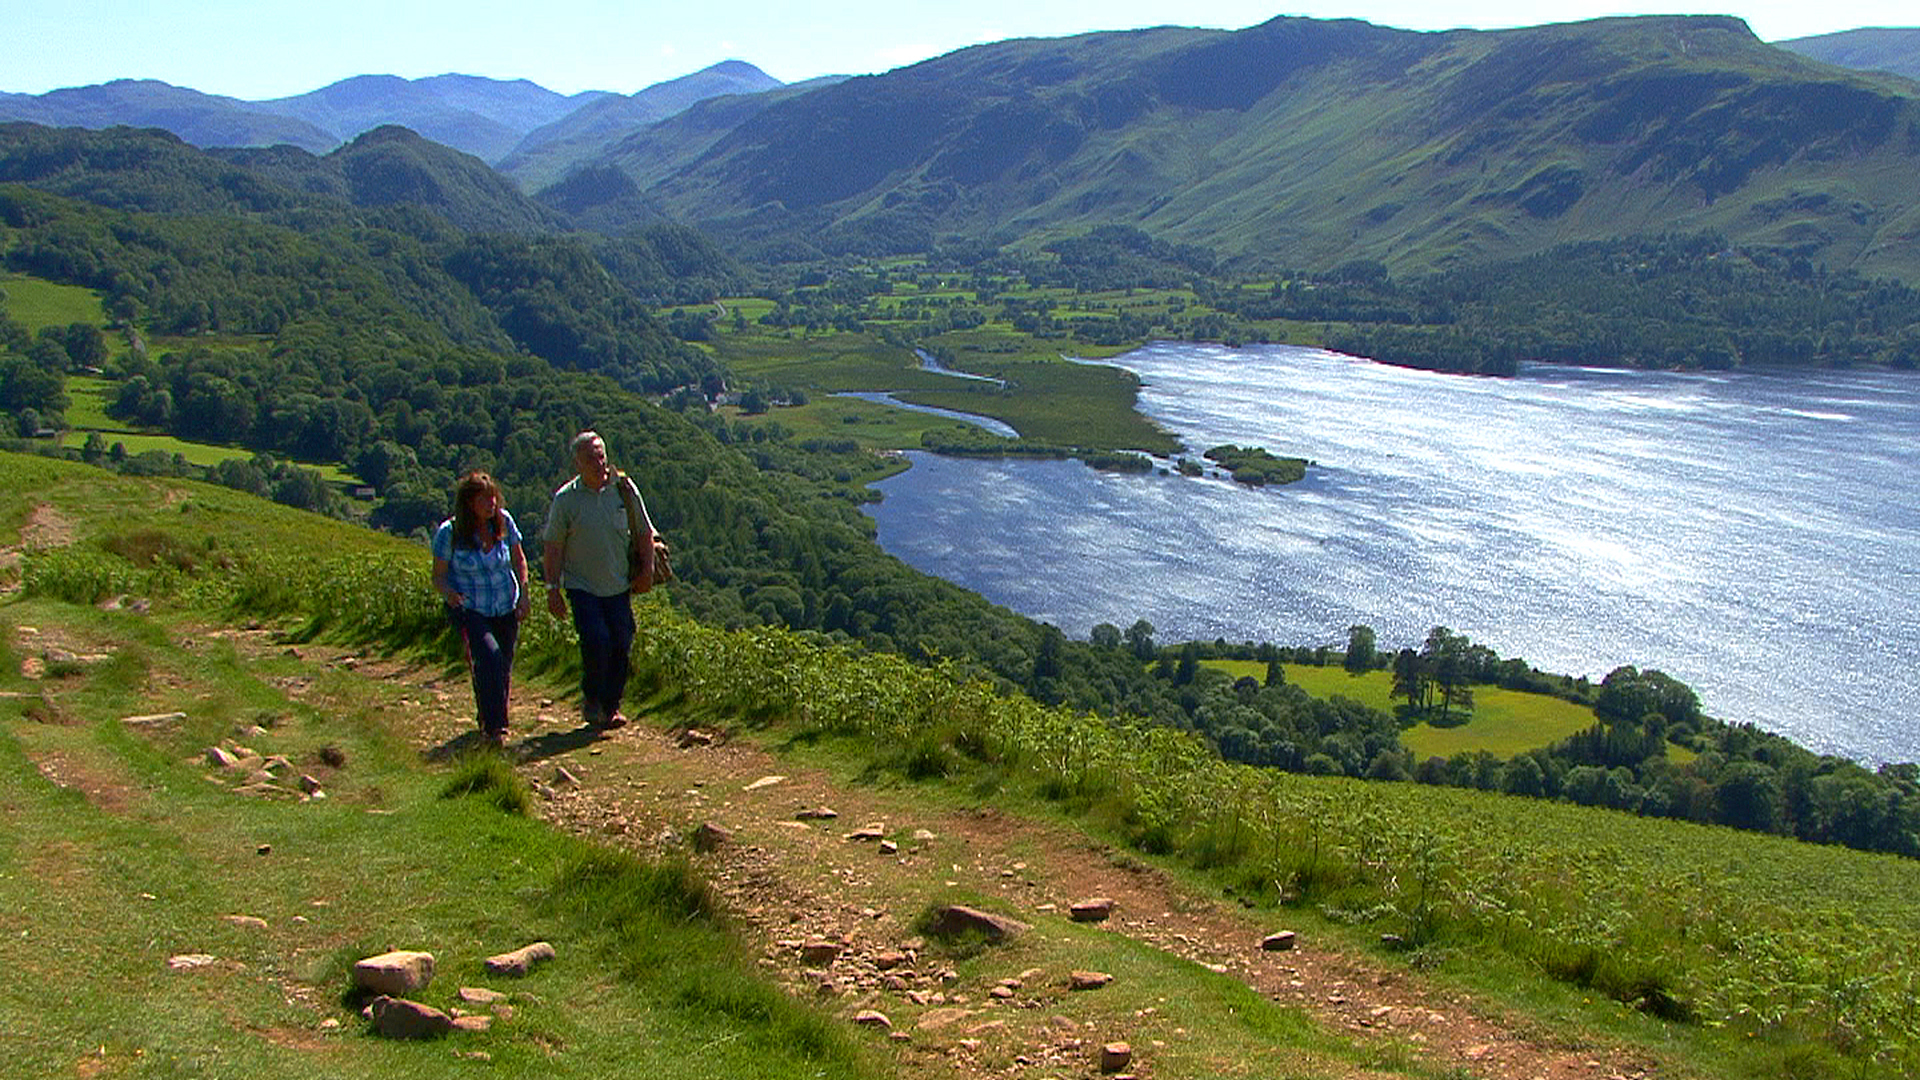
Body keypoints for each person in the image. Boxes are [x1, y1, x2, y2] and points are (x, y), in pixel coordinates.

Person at [543, 430, 660, 731]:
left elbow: (645, 533)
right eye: (591, 458)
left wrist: (647, 571)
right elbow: (553, 546)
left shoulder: (624, 490)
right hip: (582, 586)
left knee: (621, 641)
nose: (598, 463)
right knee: (596, 640)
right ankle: (592, 700)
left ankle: (610, 707)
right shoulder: (566, 500)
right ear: (578, 464)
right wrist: (552, 588)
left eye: (601, 456)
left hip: (618, 584)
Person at [430, 471, 530, 749]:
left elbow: (518, 559)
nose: (491, 503)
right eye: (484, 499)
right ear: (469, 502)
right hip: (471, 608)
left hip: (504, 605)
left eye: (493, 497)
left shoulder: (505, 522)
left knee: (503, 664)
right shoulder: (449, 533)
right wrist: (448, 594)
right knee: (489, 658)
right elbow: (438, 575)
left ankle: (491, 718)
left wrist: (524, 593)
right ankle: (495, 727)